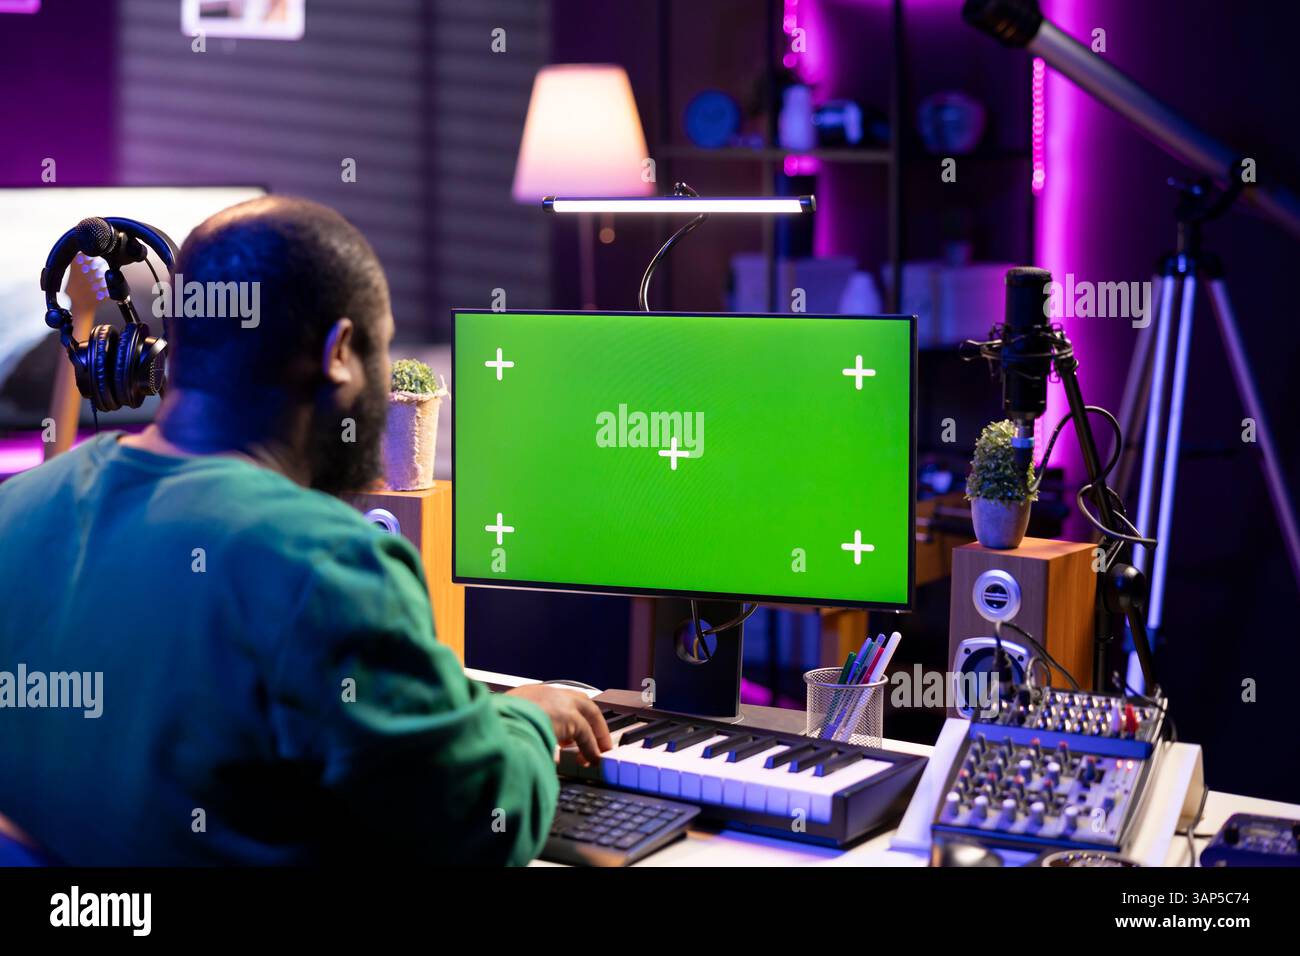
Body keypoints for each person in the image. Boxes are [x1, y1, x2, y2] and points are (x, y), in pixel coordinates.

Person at [0, 196, 610, 865]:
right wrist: (524, 720)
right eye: (383, 347)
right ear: (341, 352)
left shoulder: (18, 512)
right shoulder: (325, 565)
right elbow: (478, 827)